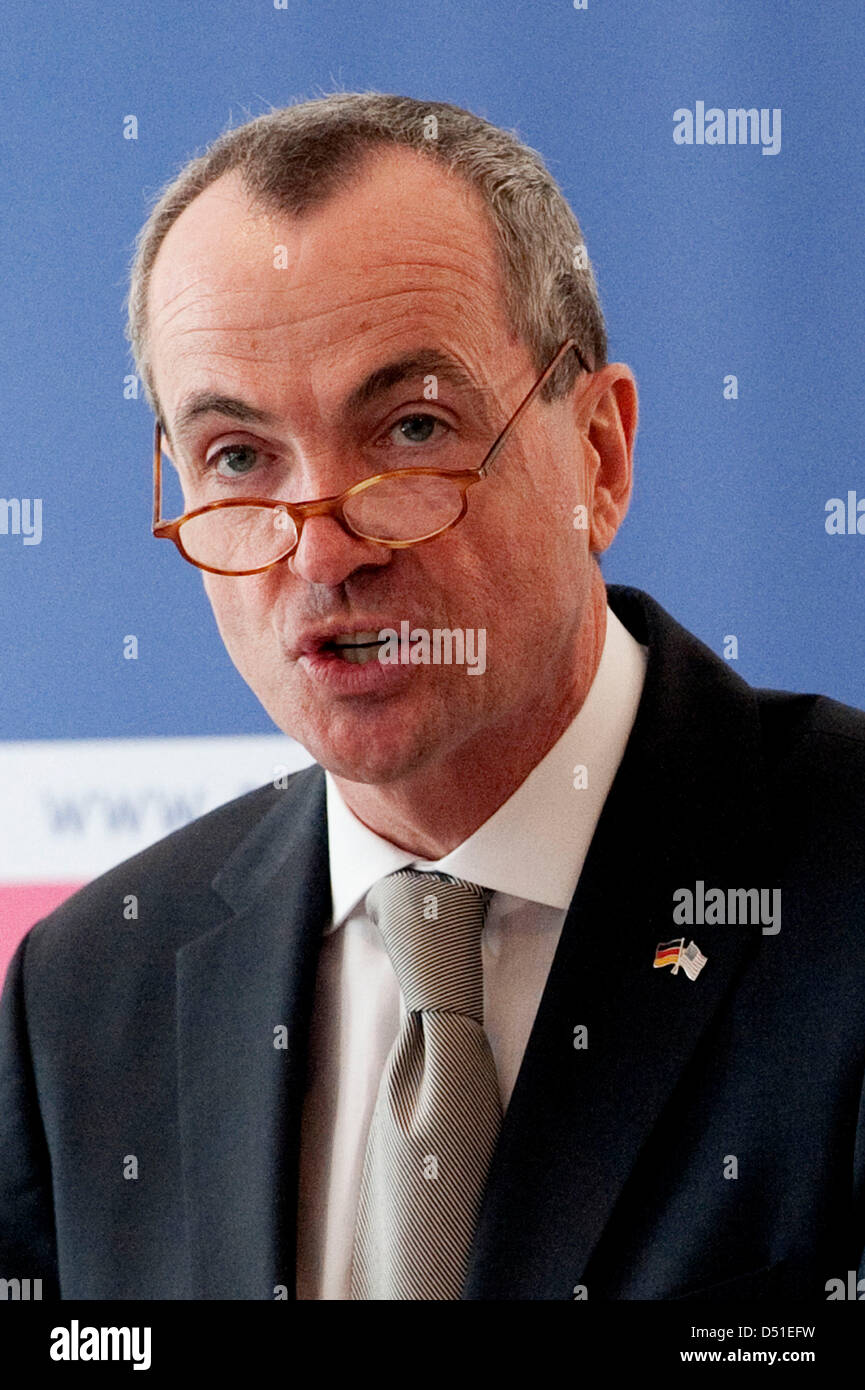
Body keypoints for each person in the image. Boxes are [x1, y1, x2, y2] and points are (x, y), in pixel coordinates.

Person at [1, 92, 864, 1303]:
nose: (320, 551)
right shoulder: (89, 996)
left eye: (411, 428)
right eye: (239, 458)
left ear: (598, 458)